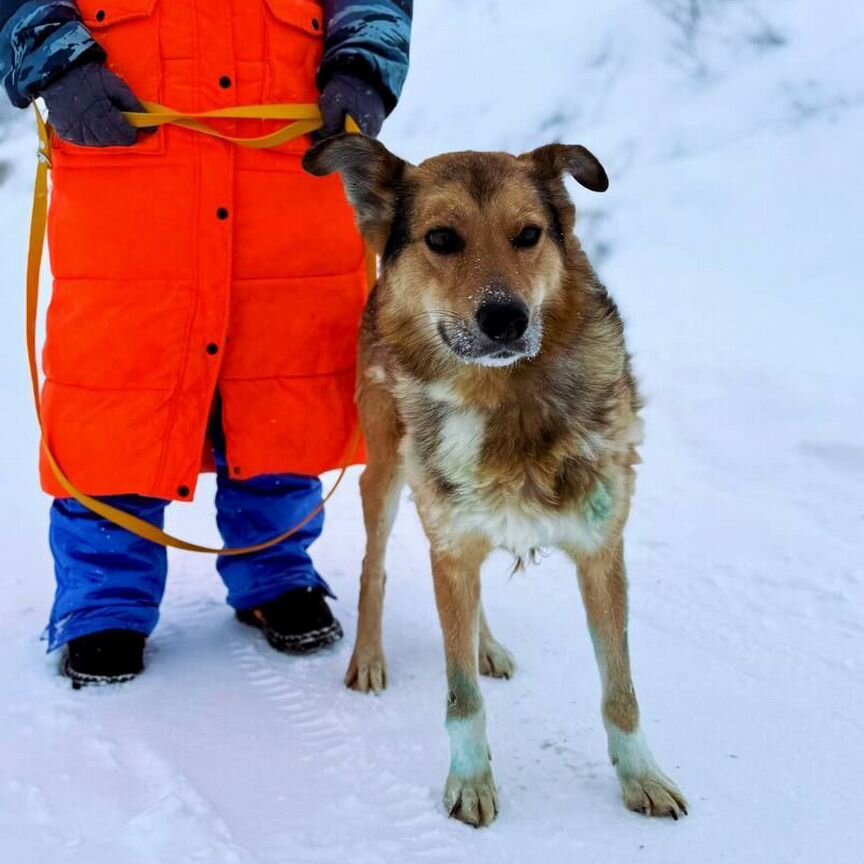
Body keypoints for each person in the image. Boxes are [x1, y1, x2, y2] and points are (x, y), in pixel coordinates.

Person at [0, 0, 412, 686]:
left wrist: (364, 64)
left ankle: (277, 568)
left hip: (287, 158)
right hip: (129, 164)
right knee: (118, 381)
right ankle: (104, 602)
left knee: (284, 374)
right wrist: (56, 60)